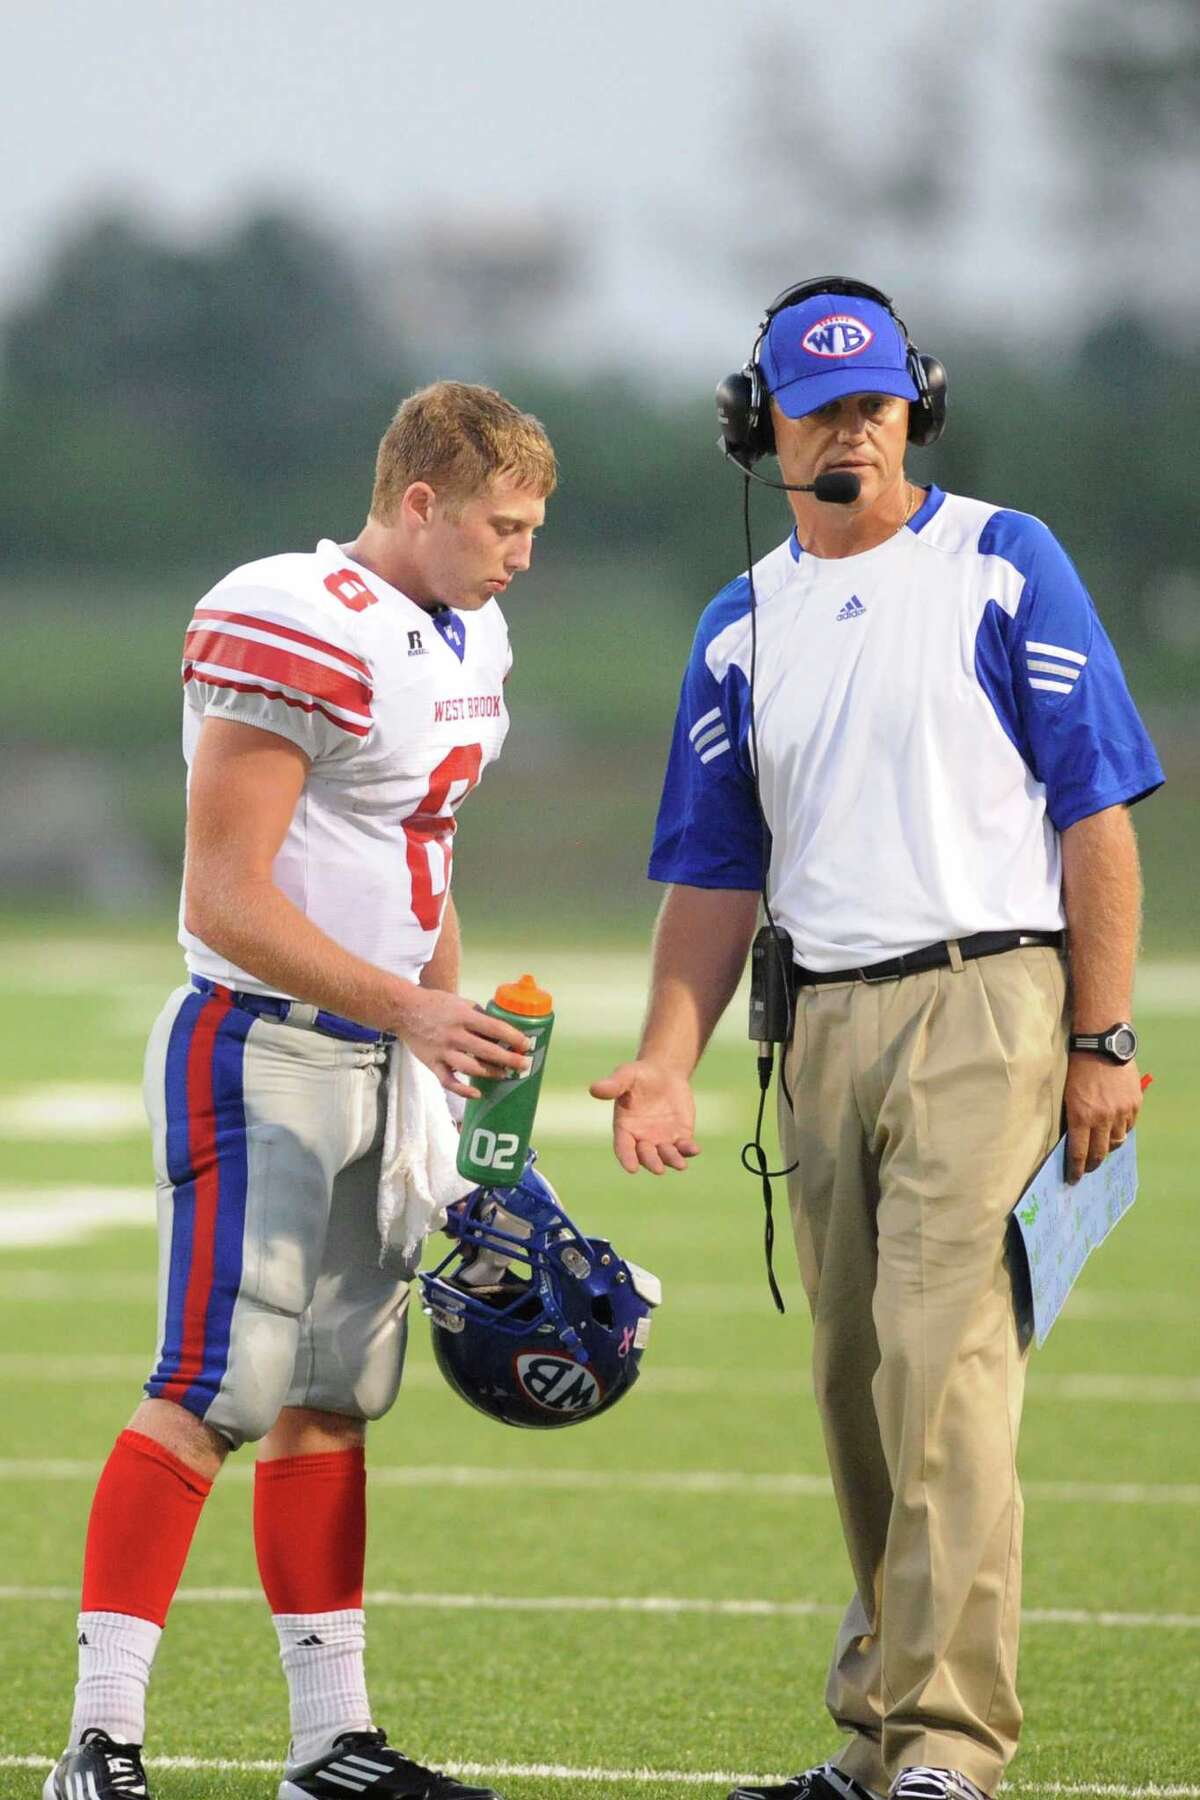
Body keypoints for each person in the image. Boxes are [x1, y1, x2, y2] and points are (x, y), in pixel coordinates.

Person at [591, 280, 1163, 1800]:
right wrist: (666, 1053)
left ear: (917, 407)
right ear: (757, 423)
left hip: (990, 1000)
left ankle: (948, 1754)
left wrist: (1103, 1036)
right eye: (820, 406)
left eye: (876, 405)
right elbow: (713, 874)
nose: (854, 431)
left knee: (946, 1374)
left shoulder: (1000, 560)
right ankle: (876, 1739)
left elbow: (1094, 813)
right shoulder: (740, 624)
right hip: (820, 1024)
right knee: (855, 1387)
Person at [45, 381, 557, 1800]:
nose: (522, 553)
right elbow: (225, 894)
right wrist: (411, 1009)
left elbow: (423, 853)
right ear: (418, 504)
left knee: (335, 1395)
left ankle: (330, 1743)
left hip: (380, 1055)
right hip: (258, 1047)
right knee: (215, 1388)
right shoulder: (295, 615)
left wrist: (445, 1048)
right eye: (502, 525)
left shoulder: (473, 629)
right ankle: (97, 1742)